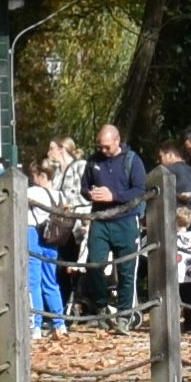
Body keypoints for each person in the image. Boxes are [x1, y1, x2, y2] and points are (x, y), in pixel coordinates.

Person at [78, 126, 147, 322]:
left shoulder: (132, 161)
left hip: (125, 220)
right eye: (100, 147)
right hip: (100, 220)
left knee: (126, 269)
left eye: (107, 147)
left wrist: (114, 196)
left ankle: (125, 314)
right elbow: (84, 186)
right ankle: (101, 308)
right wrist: (89, 194)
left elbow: (140, 190)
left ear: (118, 140)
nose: (103, 151)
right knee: (94, 265)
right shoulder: (93, 161)